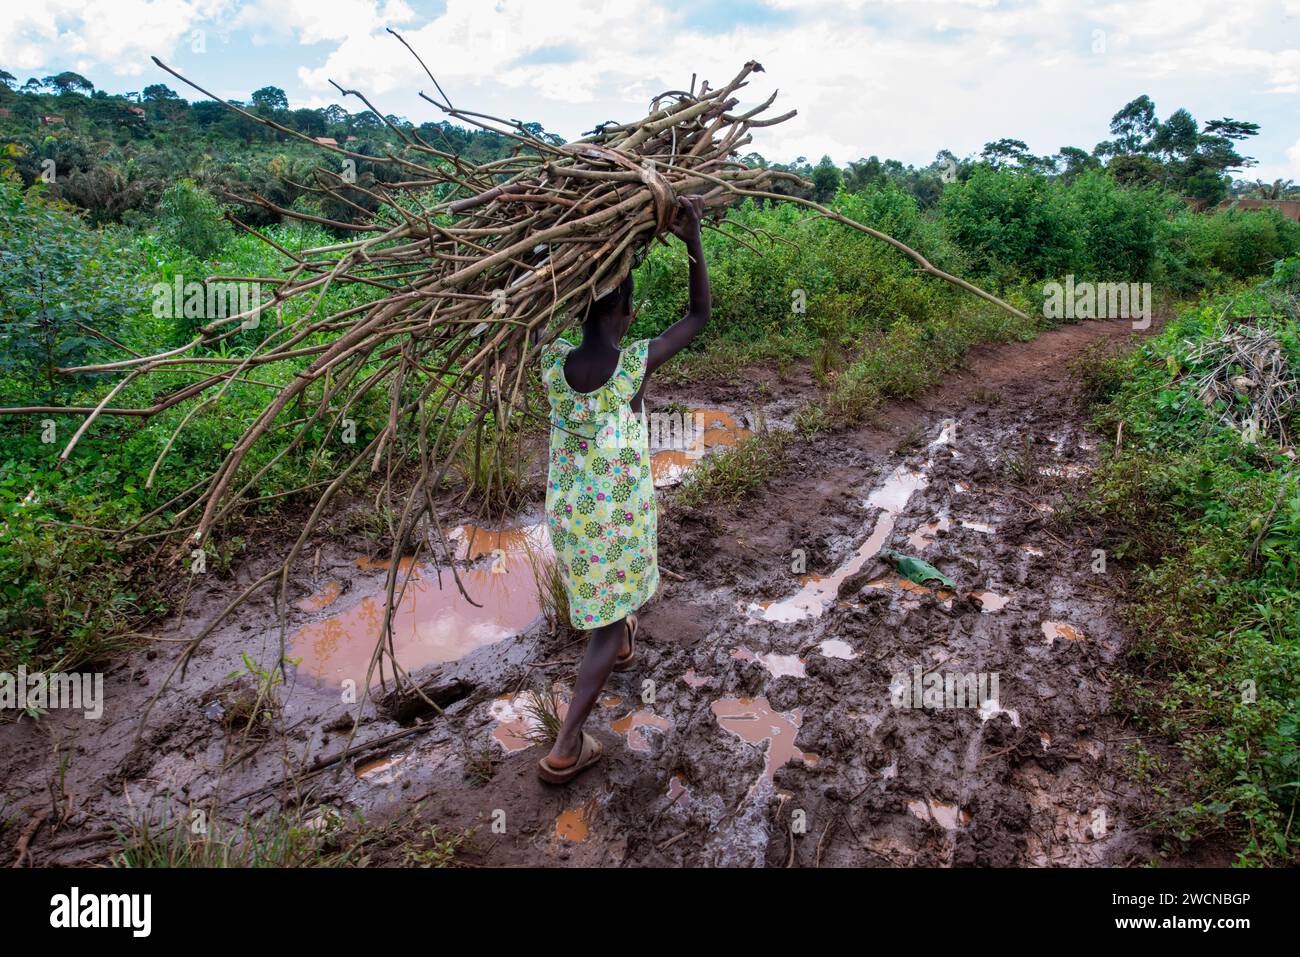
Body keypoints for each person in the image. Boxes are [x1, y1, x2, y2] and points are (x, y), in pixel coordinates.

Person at [536, 194, 711, 783]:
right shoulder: (634, 364)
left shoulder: (550, 360)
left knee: (610, 605)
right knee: (605, 629)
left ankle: (623, 636)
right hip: (617, 520)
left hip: (569, 517)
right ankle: (565, 746)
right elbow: (698, 317)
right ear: (628, 313)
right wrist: (693, 243)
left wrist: (543, 253)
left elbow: (534, 313)